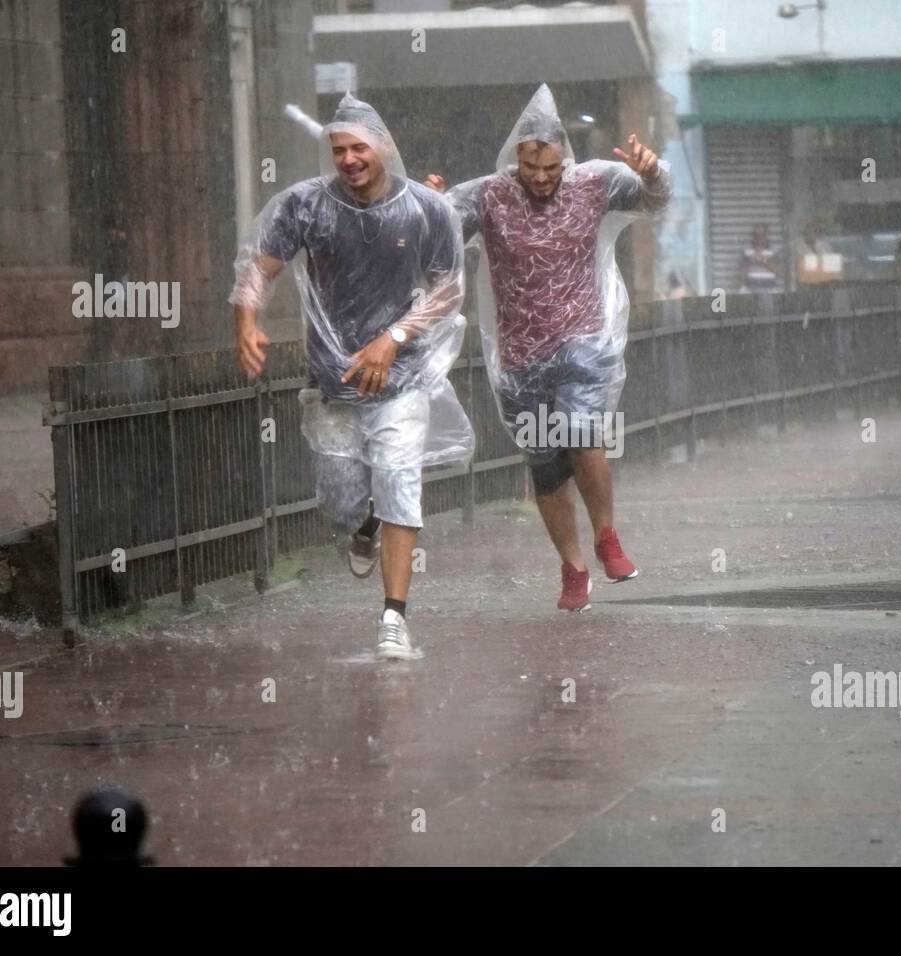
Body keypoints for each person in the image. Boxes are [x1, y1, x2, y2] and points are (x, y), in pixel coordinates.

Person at [230, 94, 471, 661]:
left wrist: (394, 338)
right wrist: (245, 321)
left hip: (403, 379)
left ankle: (394, 619)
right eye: (339, 149)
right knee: (339, 501)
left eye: (359, 147)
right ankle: (362, 525)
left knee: (399, 483)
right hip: (333, 380)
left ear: (383, 146)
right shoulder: (304, 206)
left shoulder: (426, 210)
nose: (349, 158)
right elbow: (256, 268)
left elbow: (450, 290)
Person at [425, 84, 672, 612]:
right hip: (521, 358)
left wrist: (652, 171)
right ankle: (573, 567)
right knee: (546, 466)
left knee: (583, 433)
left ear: (566, 158)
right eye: (533, 168)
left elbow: (655, 199)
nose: (542, 179)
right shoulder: (489, 195)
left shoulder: (594, 184)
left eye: (552, 168)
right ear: (518, 157)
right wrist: (429, 204)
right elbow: (432, 231)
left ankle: (607, 538)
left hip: (583, 340)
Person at [741, 224, 783, 293]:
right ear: (753, 236)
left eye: (761, 234)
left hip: (770, 289)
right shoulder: (746, 251)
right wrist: (750, 261)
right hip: (750, 289)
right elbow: (742, 274)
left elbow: (780, 273)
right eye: (756, 235)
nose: (759, 237)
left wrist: (763, 262)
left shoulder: (774, 251)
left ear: (766, 236)